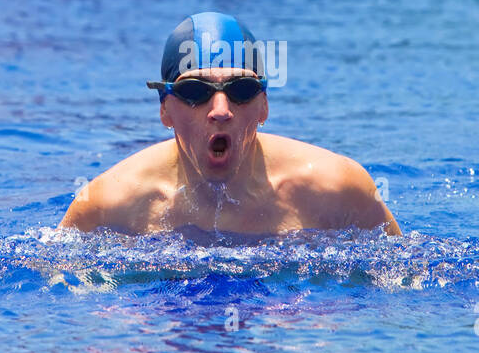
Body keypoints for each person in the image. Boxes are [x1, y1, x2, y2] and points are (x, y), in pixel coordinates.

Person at [58, 12, 401, 236]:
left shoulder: (338, 190)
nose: (220, 110)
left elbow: (405, 287)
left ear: (264, 106)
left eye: (241, 89)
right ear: (165, 109)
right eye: (195, 91)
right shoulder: (107, 205)